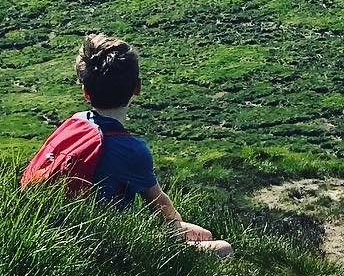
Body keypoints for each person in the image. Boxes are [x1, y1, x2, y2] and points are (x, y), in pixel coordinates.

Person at [21, 32, 232, 258]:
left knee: (203, 236)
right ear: (137, 88)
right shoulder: (130, 149)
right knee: (222, 247)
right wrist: (180, 229)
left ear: (85, 92)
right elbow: (162, 209)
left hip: (53, 234)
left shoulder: (74, 122)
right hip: (100, 248)